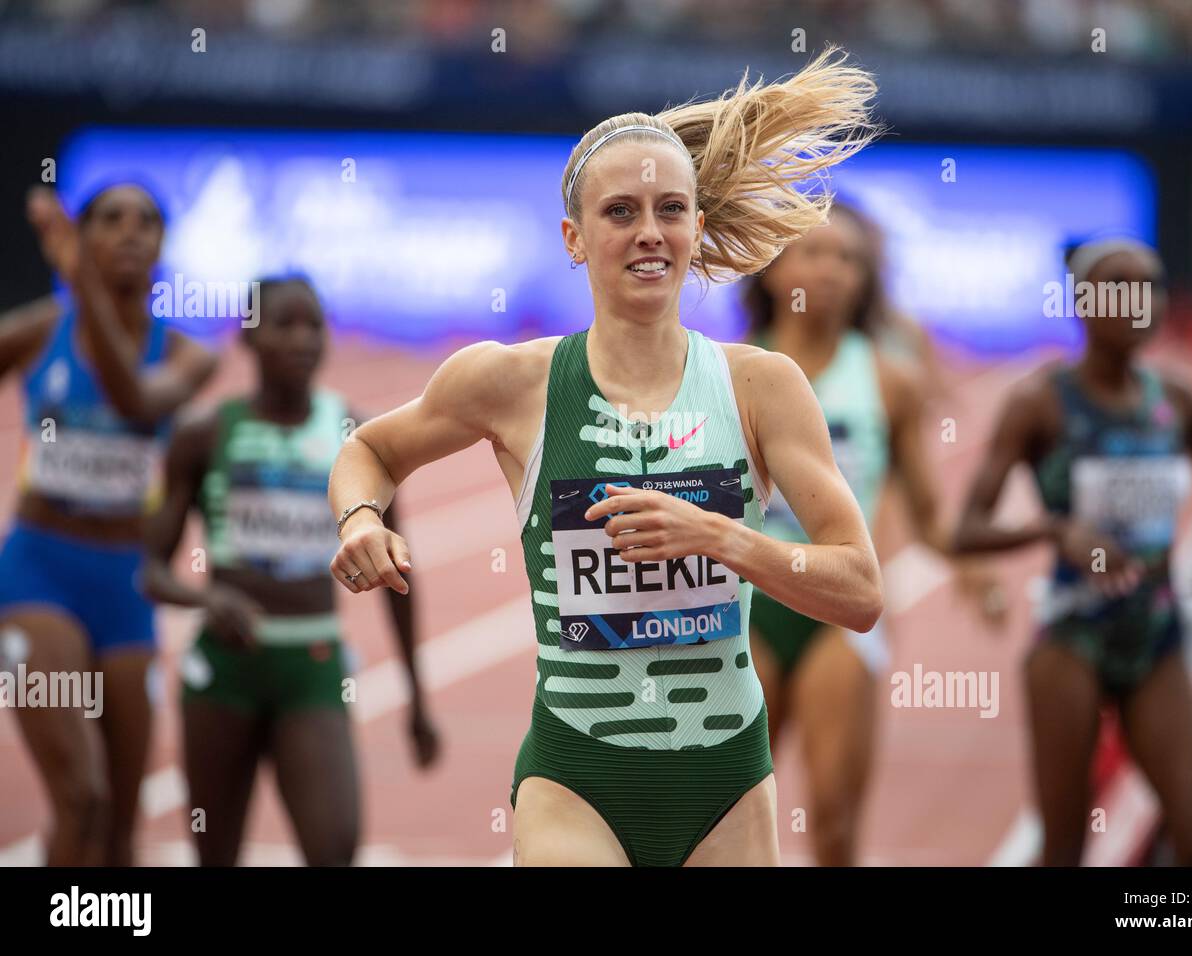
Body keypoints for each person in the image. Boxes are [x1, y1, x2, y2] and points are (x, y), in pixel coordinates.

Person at [328, 47, 884, 866]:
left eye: (670, 209)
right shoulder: (512, 382)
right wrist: (360, 516)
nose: (649, 232)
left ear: (698, 226)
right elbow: (368, 446)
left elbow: (862, 590)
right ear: (574, 238)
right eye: (620, 212)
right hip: (576, 777)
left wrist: (723, 539)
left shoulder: (761, 387)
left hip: (724, 780)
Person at [954, 238, 1192, 865]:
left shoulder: (1176, 398)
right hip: (1071, 638)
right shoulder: (1040, 404)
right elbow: (966, 530)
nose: (1139, 302)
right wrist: (1055, 532)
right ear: (1082, 303)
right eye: (1119, 286)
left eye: (1152, 285)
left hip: (1157, 635)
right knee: (1064, 848)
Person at [741, 200, 1005, 866]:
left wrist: (976, 568)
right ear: (772, 269)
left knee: (833, 819)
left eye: (849, 259)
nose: (832, 271)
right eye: (814, 253)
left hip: (839, 608)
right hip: (745, 604)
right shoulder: (729, 371)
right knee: (729, 815)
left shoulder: (890, 381)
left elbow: (928, 514)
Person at [143, 277, 437, 865]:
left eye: (313, 325)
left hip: (312, 667)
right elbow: (150, 569)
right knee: (215, 852)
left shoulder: (358, 440)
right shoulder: (204, 435)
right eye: (284, 325)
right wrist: (208, 602)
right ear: (248, 337)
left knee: (334, 845)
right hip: (223, 672)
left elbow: (399, 573)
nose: (302, 340)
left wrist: (416, 696)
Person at [0, 184, 217, 865]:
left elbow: (134, 404)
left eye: (148, 222)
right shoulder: (39, 332)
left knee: (121, 827)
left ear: (162, 246)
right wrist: (78, 292)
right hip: (38, 575)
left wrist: (82, 285)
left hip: (124, 590)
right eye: (111, 220)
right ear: (83, 236)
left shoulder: (187, 355)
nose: (131, 233)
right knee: (81, 796)